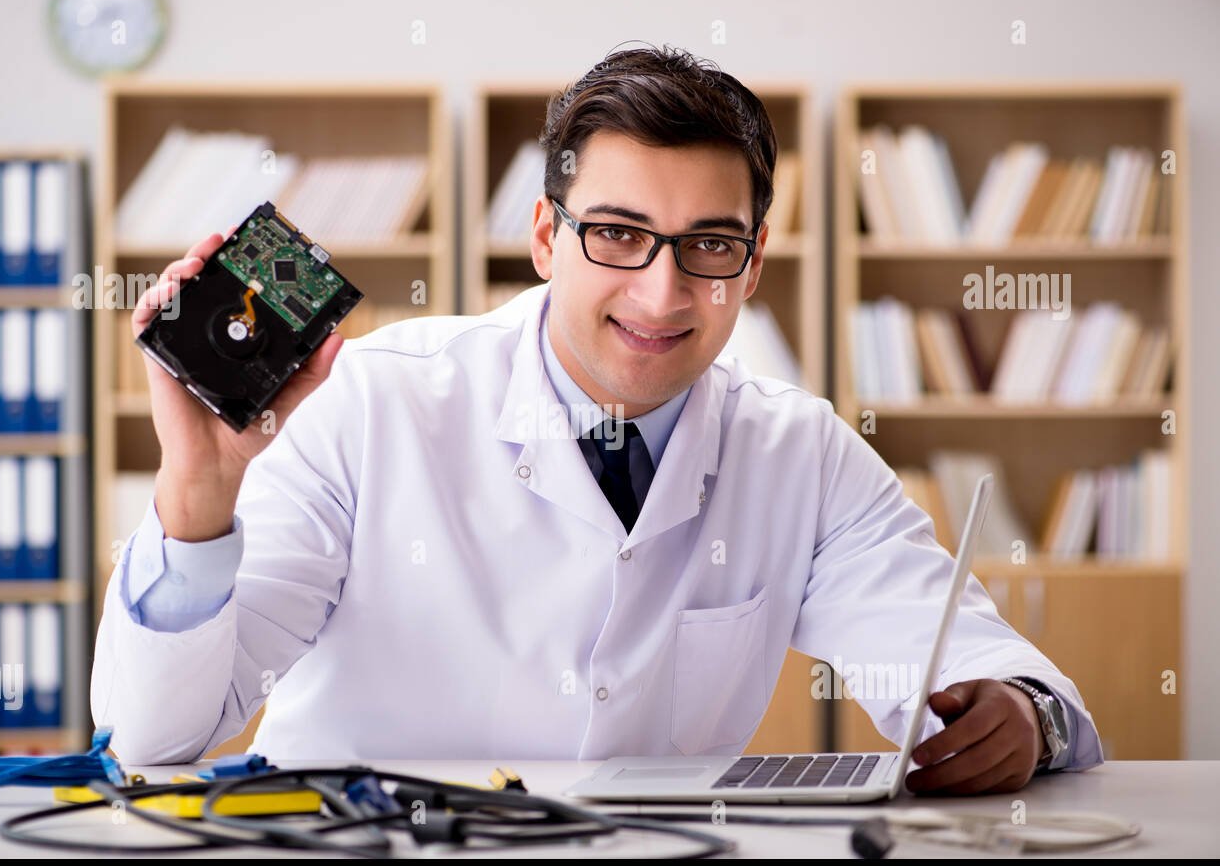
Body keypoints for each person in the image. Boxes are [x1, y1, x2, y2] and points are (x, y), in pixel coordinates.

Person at [92, 44, 1103, 794]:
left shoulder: (799, 452)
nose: (663, 294)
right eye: (618, 234)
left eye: (710, 245)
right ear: (544, 236)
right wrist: (195, 494)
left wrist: (1018, 714)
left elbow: (962, 661)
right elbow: (153, 739)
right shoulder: (367, 401)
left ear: (750, 266)